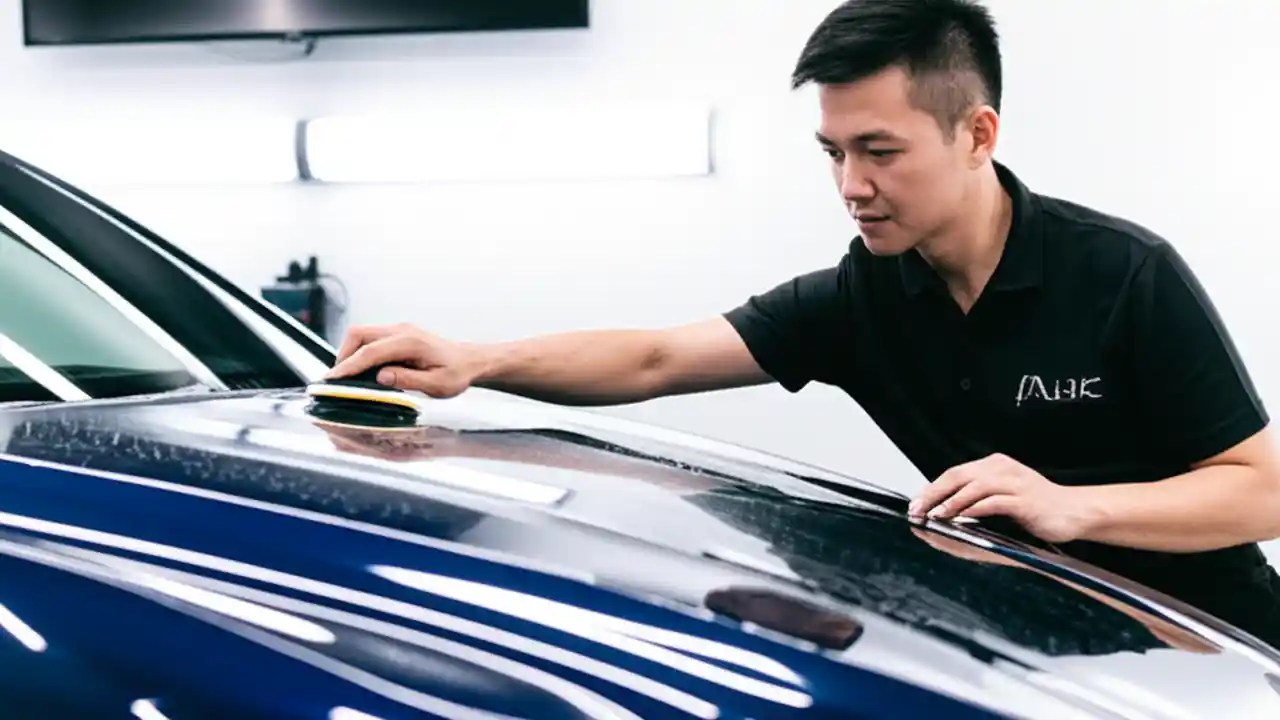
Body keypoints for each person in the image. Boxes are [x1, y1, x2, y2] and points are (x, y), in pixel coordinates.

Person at [324, 0, 1280, 646]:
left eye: (880, 151)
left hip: (1209, 645)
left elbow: (1262, 492)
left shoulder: (1121, 273)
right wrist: (474, 360)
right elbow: (659, 356)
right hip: (1030, 644)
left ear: (978, 135)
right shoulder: (864, 294)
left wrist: (1079, 506)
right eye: (831, 152)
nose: (851, 187)